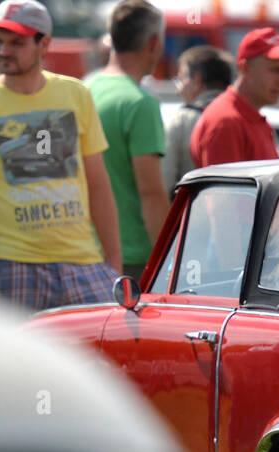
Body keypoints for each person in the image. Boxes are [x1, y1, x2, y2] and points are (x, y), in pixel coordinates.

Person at [0, 0, 121, 308]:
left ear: (44, 45)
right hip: (12, 265)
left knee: (102, 354)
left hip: (83, 264)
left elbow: (99, 186)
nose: (4, 50)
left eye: (17, 42)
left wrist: (113, 268)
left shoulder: (76, 94)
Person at [87, 0, 169, 281]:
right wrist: (168, 261)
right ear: (154, 42)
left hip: (84, 252)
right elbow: (151, 193)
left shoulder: (84, 89)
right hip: (132, 260)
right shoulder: (139, 103)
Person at [190, 27, 279, 168]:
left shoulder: (249, 117)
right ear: (245, 68)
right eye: (274, 70)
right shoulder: (226, 122)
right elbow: (226, 189)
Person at [162, 45, 233, 194]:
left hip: (195, 214)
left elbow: (164, 182)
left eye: (181, 80)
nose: (179, 90)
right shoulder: (248, 117)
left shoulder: (182, 121)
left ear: (197, 81)